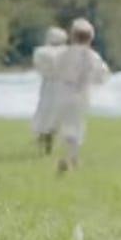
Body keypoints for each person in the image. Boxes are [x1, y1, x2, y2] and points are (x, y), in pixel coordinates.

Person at [49, 18, 111, 173]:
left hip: (64, 93)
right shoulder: (93, 57)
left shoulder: (64, 54)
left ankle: (67, 156)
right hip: (83, 94)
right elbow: (102, 75)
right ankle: (72, 156)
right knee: (76, 126)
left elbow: (55, 70)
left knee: (66, 126)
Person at [31, 26, 69, 155]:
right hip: (62, 86)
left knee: (44, 113)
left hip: (48, 85)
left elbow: (38, 68)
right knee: (56, 117)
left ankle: (43, 139)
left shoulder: (41, 52)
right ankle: (48, 142)